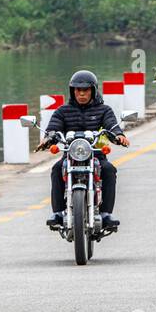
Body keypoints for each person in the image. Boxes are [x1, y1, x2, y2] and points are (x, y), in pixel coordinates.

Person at [40, 71, 129, 231]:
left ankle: (106, 214)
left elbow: (112, 125)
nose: (81, 93)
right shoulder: (62, 111)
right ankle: (58, 212)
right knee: (56, 169)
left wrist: (119, 135)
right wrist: (48, 138)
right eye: (78, 90)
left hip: (96, 153)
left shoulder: (104, 110)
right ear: (72, 91)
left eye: (86, 90)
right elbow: (53, 128)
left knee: (109, 170)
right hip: (71, 154)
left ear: (93, 91)